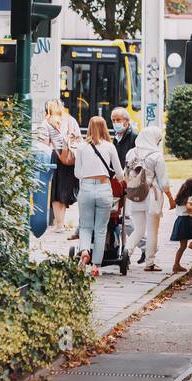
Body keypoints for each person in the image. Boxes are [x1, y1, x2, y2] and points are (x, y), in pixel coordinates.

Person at [74, 116, 124, 276]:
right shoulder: (109, 147)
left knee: (85, 226)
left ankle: (84, 251)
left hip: (86, 188)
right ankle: (96, 265)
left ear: (88, 128)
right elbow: (120, 174)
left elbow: (77, 173)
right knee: (101, 229)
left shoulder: (81, 147)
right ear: (104, 128)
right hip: (103, 188)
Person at [126, 124, 172, 272]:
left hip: (135, 195)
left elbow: (126, 173)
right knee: (152, 230)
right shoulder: (156, 156)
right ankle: (150, 262)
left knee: (139, 228)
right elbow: (164, 182)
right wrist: (171, 198)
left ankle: (126, 252)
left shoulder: (131, 153)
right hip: (152, 197)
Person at [43, 100, 81, 231]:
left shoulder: (47, 122)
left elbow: (45, 143)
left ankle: (59, 224)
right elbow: (78, 138)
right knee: (65, 190)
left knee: (55, 191)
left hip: (57, 157)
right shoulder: (71, 120)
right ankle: (61, 222)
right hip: (70, 157)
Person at [170, 176, 192, 274]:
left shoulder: (180, 196)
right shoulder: (190, 198)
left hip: (179, 221)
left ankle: (176, 265)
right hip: (186, 221)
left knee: (182, 246)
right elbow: (188, 208)